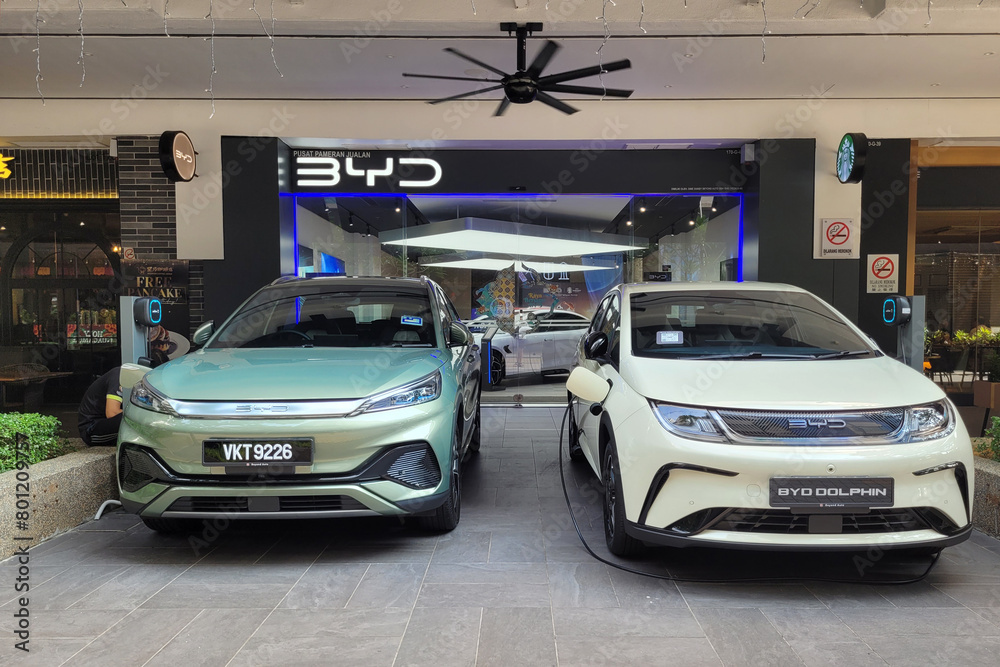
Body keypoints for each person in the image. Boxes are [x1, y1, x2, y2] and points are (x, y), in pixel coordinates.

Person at [77, 367, 123, 446]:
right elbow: (112, 412)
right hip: (91, 429)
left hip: (105, 425)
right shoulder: (119, 376)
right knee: (132, 418)